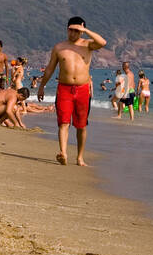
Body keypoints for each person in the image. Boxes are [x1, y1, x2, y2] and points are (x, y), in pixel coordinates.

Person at [38, 17, 107, 166]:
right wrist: (42, 86)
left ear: (81, 31)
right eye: (71, 30)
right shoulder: (59, 47)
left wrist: (86, 30)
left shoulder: (88, 45)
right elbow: (50, 68)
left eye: (77, 31)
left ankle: (80, 157)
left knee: (81, 125)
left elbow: (103, 42)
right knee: (63, 122)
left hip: (83, 89)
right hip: (64, 89)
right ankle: (63, 153)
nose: (73, 33)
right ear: (67, 29)